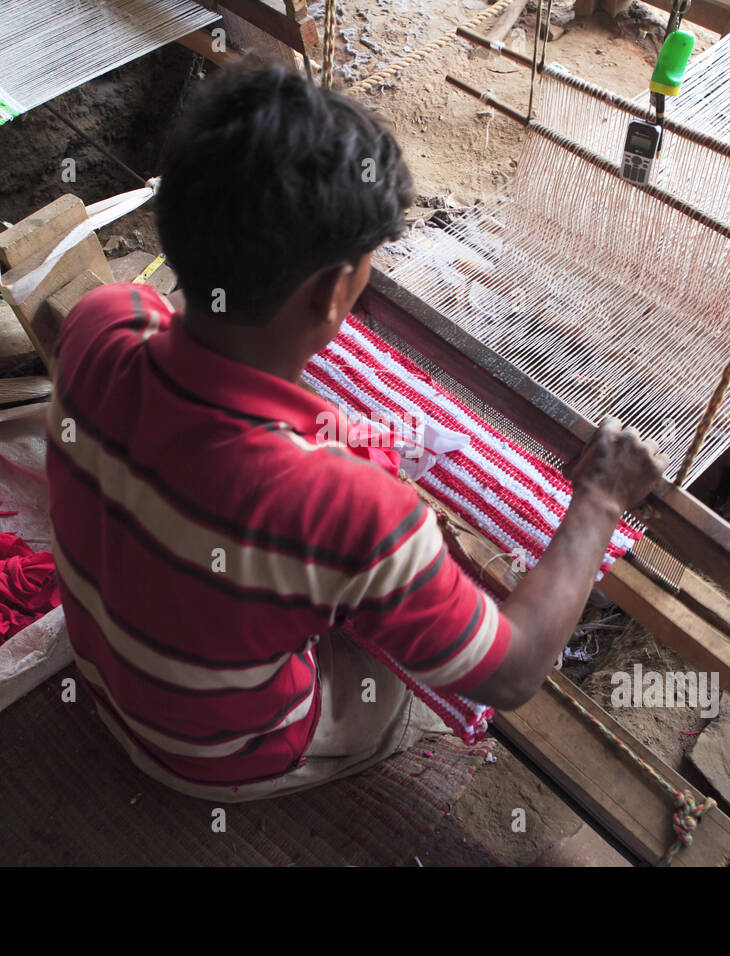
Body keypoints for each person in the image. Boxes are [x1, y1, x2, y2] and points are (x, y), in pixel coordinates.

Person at [45, 64, 666, 802]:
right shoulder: (353, 512)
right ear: (335, 290)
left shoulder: (101, 322)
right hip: (205, 756)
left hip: (99, 668)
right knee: (401, 684)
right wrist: (599, 499)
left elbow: (197, 402)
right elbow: (514, 672)